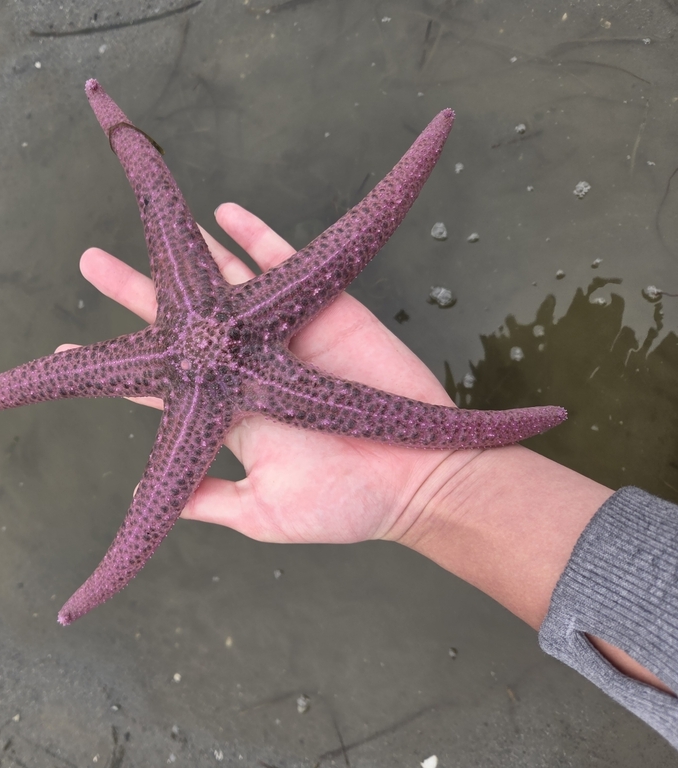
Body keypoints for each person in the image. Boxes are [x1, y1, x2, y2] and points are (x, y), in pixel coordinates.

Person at [65, 202, 678, 748]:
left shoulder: (224, 359)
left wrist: (447, 481)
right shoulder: (241, 350)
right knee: (57, 371)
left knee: (60, 369)